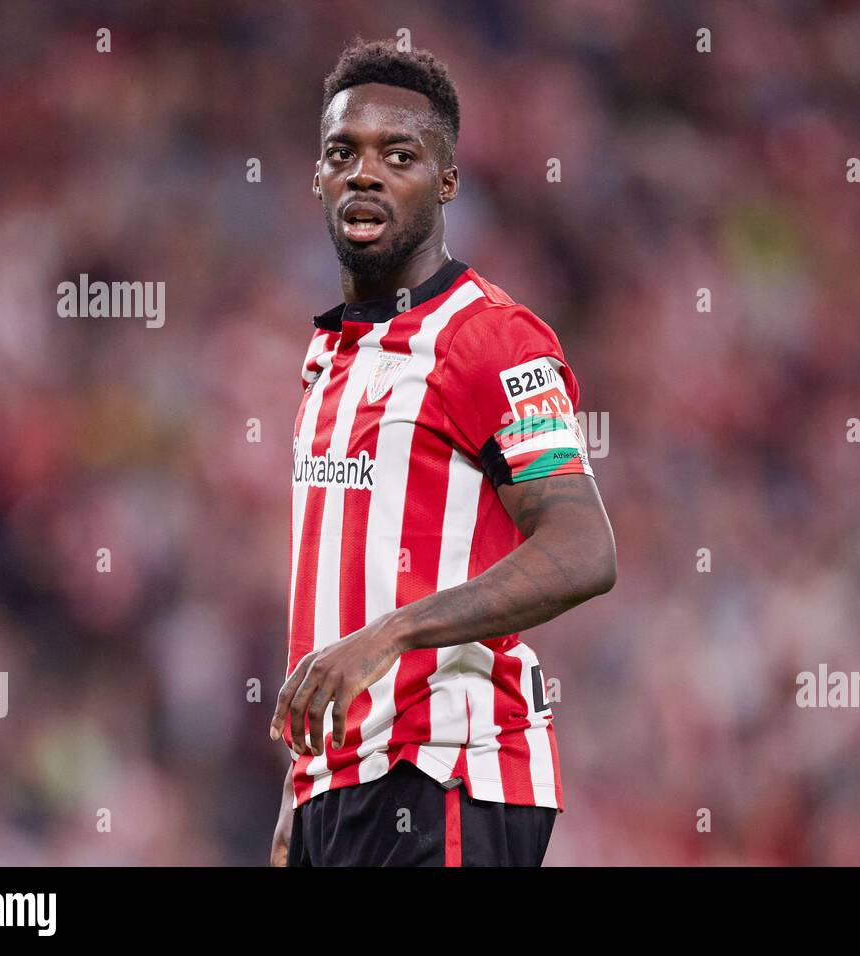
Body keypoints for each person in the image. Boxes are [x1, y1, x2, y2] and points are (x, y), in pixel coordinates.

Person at [268, 37, 616, 867]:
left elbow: (583, 548)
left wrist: (392, 635)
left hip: (446, 776)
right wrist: (301, 785)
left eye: (400, 155)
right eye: (342, 153)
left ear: (448, 182)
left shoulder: (490, 337)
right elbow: (342, 594)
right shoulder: (329, 360)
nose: (365, 173)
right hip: (339, 787)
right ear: (317, 177)